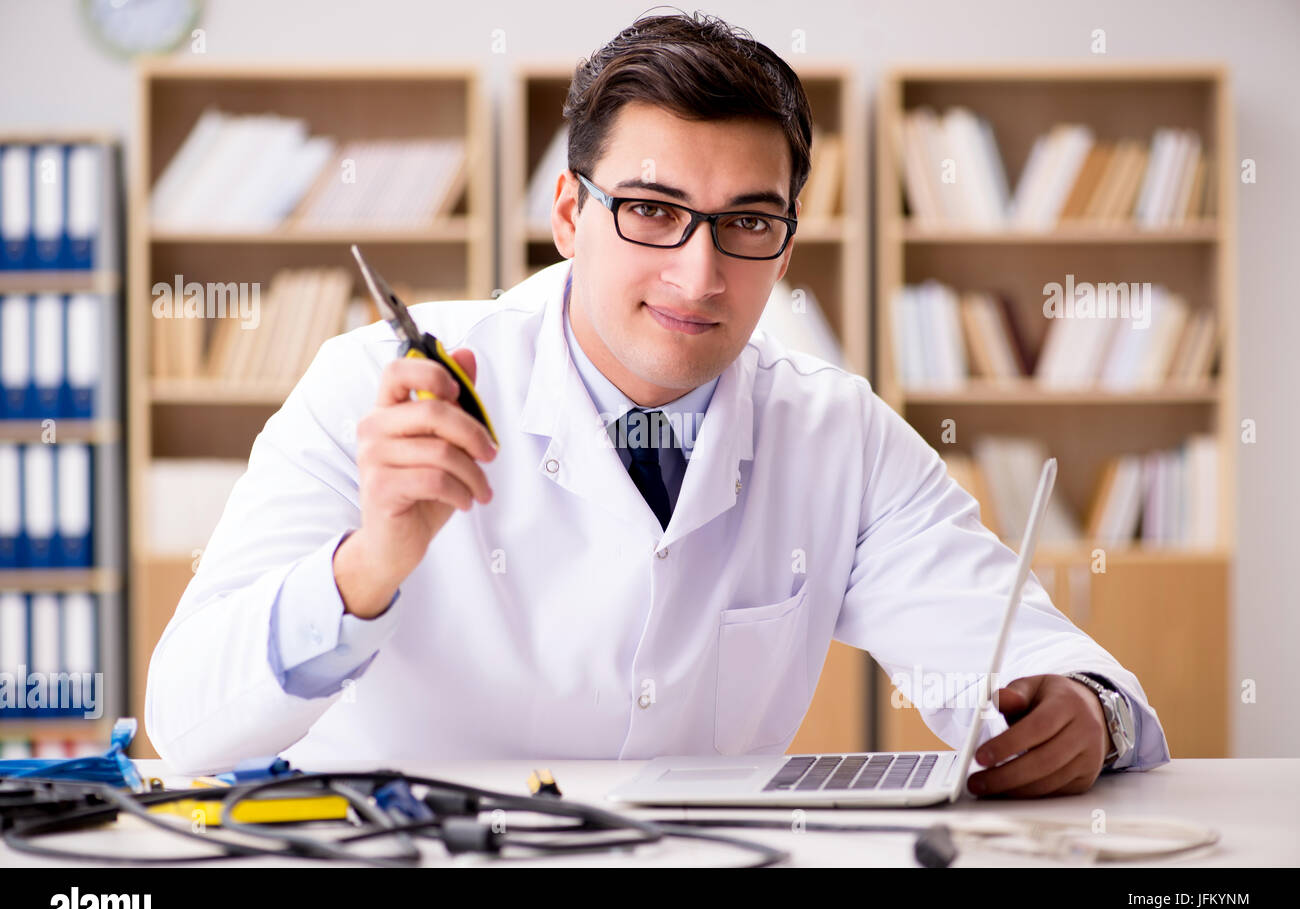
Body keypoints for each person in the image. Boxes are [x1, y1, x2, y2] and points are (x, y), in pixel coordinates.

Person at [146, 11, 1170, 793]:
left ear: (785, 241)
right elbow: (185, 724)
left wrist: (1087, 712)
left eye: (747, 223)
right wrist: (365, 570)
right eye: (651, 210)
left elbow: (1016, 653)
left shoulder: (834, 431)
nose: (698, 275)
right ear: (567, 213)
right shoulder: (371, 387)